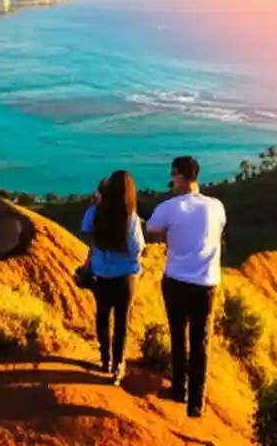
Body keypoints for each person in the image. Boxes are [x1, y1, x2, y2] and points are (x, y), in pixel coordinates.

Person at [146, 155, 226, 418]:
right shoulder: (216, 206)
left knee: (178, 336)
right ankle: (196, 403)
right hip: (206, 284)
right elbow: (218, 230)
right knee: (200, 342)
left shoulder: (169, 207)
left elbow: (151, 231)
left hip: (177, 280)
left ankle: (178, 390)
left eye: (173, 175)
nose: (171, 180)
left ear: (179, 175)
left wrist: (170, 235)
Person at [80, 170, 145, 385]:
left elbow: (85, 227)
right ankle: (118, 364)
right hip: (126, 276)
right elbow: (137, 247)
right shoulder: (131, 218)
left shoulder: (97, 213)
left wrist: (95, 203)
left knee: (102, 315)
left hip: (102, 273)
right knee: (121, 320)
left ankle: (104, 359)